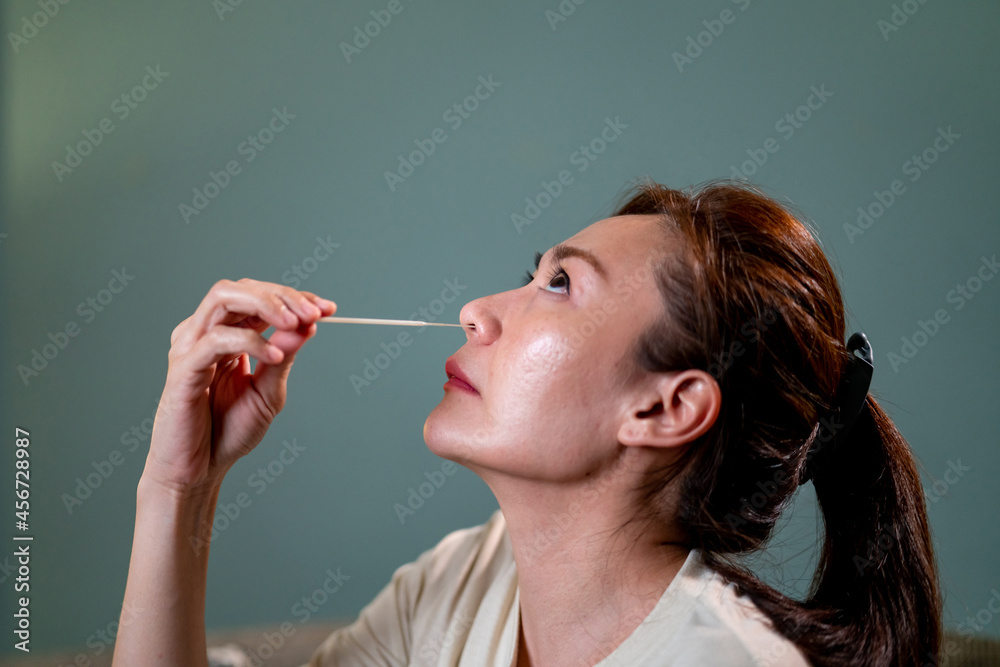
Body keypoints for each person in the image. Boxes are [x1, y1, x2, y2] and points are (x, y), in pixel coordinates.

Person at [112, 179, 942, 667]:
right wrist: (180, 487)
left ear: (665, 406)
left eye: (559, 286)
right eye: (531, 274)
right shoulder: (463, 582)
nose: (476, 312)